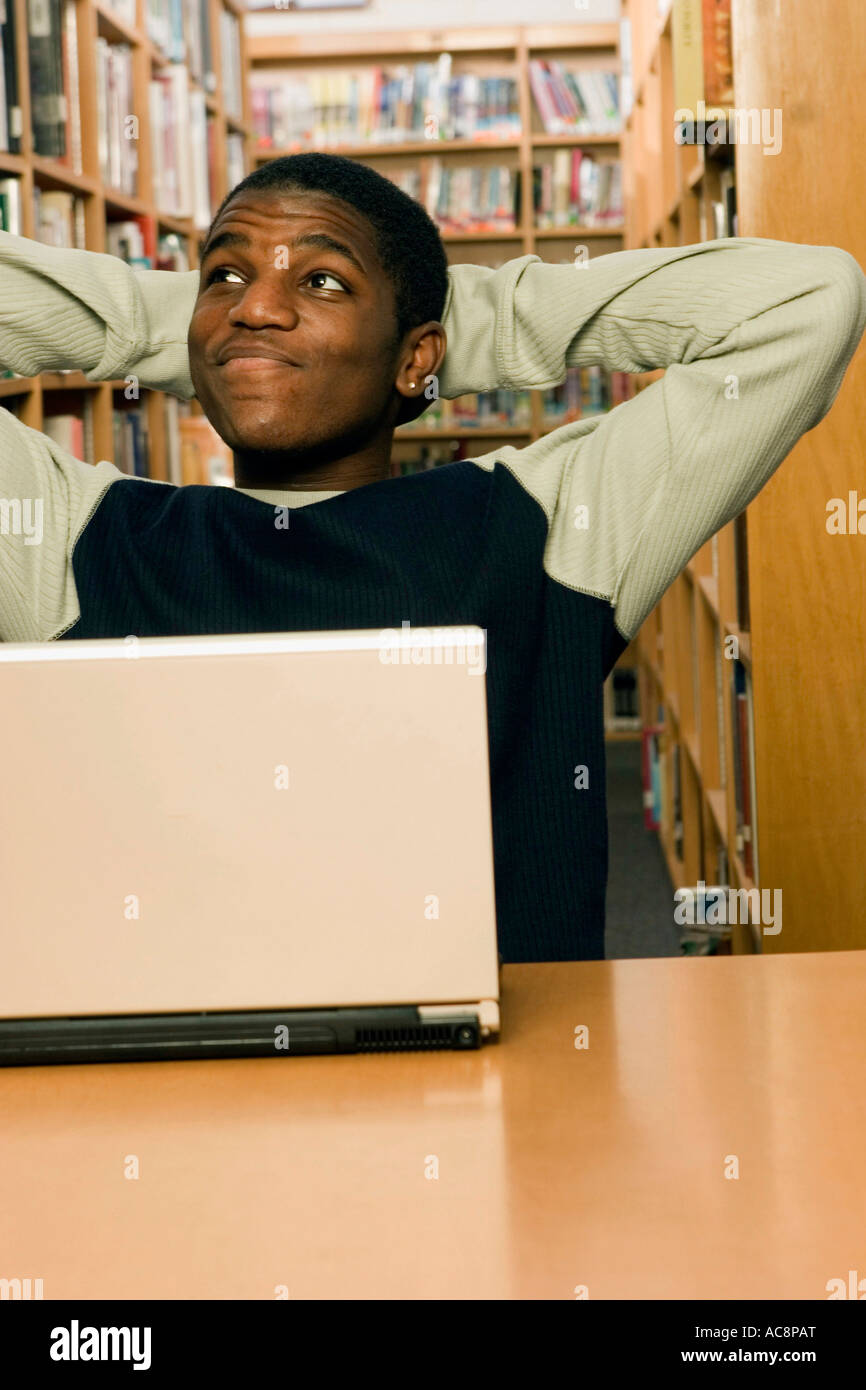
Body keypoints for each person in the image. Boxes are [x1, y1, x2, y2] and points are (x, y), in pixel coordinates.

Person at [1, 152, 864, 963]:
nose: (256, 303)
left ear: (419, 355)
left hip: (495, 1095)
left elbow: (807, 302)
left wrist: (441, 329)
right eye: (225, 274)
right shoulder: (74, 541)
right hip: (167, 1094)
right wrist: (215, 335)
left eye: (324, 281)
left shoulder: (551, 524)